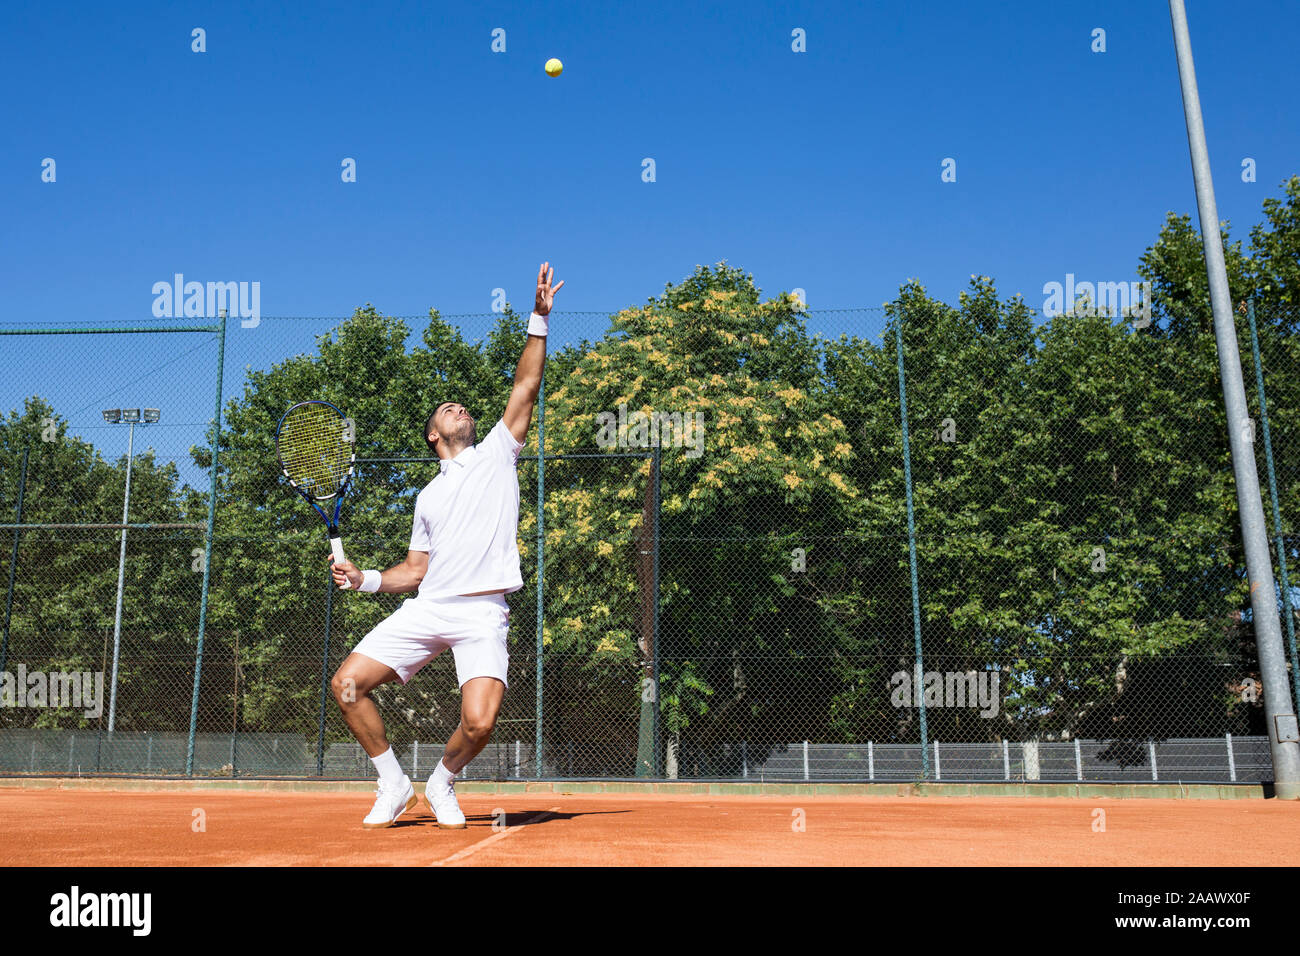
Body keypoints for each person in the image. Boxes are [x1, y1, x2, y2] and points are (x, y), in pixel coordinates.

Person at [329, 262, 563, 829]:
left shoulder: (497, 453)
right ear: (434, 433)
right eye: (446, 410)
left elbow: (526, 385)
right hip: (429, 607)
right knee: (348, 684)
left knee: (480, 722)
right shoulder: (425, 498)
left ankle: (441, 782)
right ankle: (393, 783)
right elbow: (413, 570)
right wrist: (364, 580)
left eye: (464, 408)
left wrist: (538, 317)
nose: (458, 408)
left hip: (484, 610)